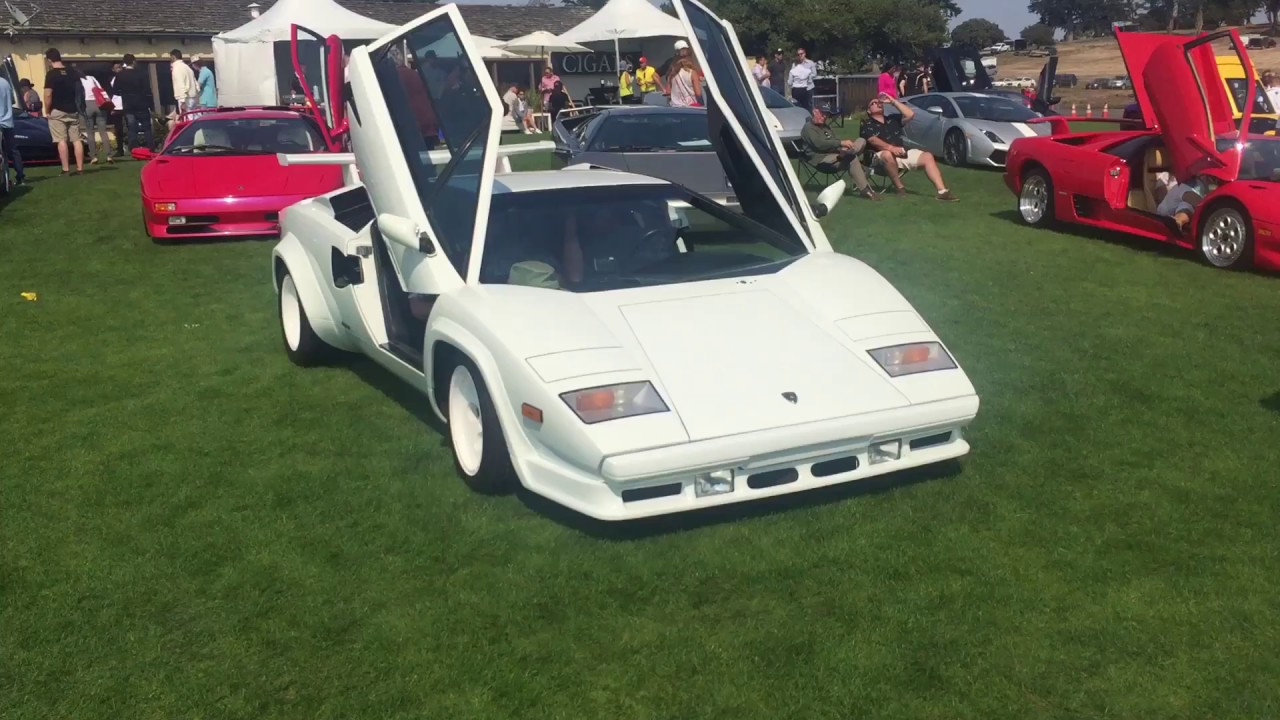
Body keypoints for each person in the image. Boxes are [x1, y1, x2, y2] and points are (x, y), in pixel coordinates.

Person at [860, 92, 957, 201]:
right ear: (869, 111)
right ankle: (900, 188)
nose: (878, 103)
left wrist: (893, 102)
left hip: (900, 154)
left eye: (879, 102)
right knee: (887, 154)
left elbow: (910, 114)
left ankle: (942, 192)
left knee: (927, 156)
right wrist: (891, 148)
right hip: (878, 158)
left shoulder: (892, 119)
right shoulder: (867, 124)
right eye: (873, 103)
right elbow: (872, 140)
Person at [801, 107, 877, 200]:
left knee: (861, 141)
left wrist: (841, 148)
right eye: (822, 113)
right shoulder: (808, 128)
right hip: (821, 160)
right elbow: (819, 145)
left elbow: (833, 142)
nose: (825, 116)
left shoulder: (826, 127)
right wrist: (841, 143)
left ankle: (849, 155)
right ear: (814, 111)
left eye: (827, 114)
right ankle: (866, 190)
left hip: (836, 155)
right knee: (852, 158)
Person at [42, 48, 86, 175]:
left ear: (49, 60)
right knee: (76, 139)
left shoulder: (51, 74)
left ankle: (66, 168)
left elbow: (48, 94)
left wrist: (47, 110)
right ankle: (80, 168)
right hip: (73, 109)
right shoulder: (72, 72)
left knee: (61, 140)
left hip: (58, 110)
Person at [114, 54, 154, 153]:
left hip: (128, 104)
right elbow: (147, 89)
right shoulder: (141, 73)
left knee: (131, 127)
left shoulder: (120, 75)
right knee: (146, 127)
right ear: (134, 62)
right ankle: (150, 147)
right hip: (141, 103)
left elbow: (115, 90)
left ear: (124, 62)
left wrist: (123, 93)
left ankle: (133, 148)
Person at [78, 70, 114, 165]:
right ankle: (109, 155)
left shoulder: (78, 80)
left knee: (90, 132)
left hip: (87, 105)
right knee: (103, 131)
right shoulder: (92, 78)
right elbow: (99, 88)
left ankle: (94, 156)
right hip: (98, 103)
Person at [0, 71, 24, 186]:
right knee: (13, 151)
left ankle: (4, 179)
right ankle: (20, 176)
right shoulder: (5, 82)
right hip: (8, 122)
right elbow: (13, 101)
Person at [107, 61, 126, 157]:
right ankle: (120, 149)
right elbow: (110, 94)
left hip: (126, 104)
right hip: (116, 106)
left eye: (120, 67)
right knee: (118, 129)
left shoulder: (125, 78)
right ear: (113, 69)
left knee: (129, 126)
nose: (119, 69)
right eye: (117, 67)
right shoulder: (111, 80)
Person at [170, 49, 197, 114]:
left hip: (185, 99)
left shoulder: (177, 68)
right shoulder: (187, 68)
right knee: (192, 118)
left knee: (186, 119)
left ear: (173, 57)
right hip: (192, 97)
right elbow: (196, 83)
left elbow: (180, 84)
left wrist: (182, 101)